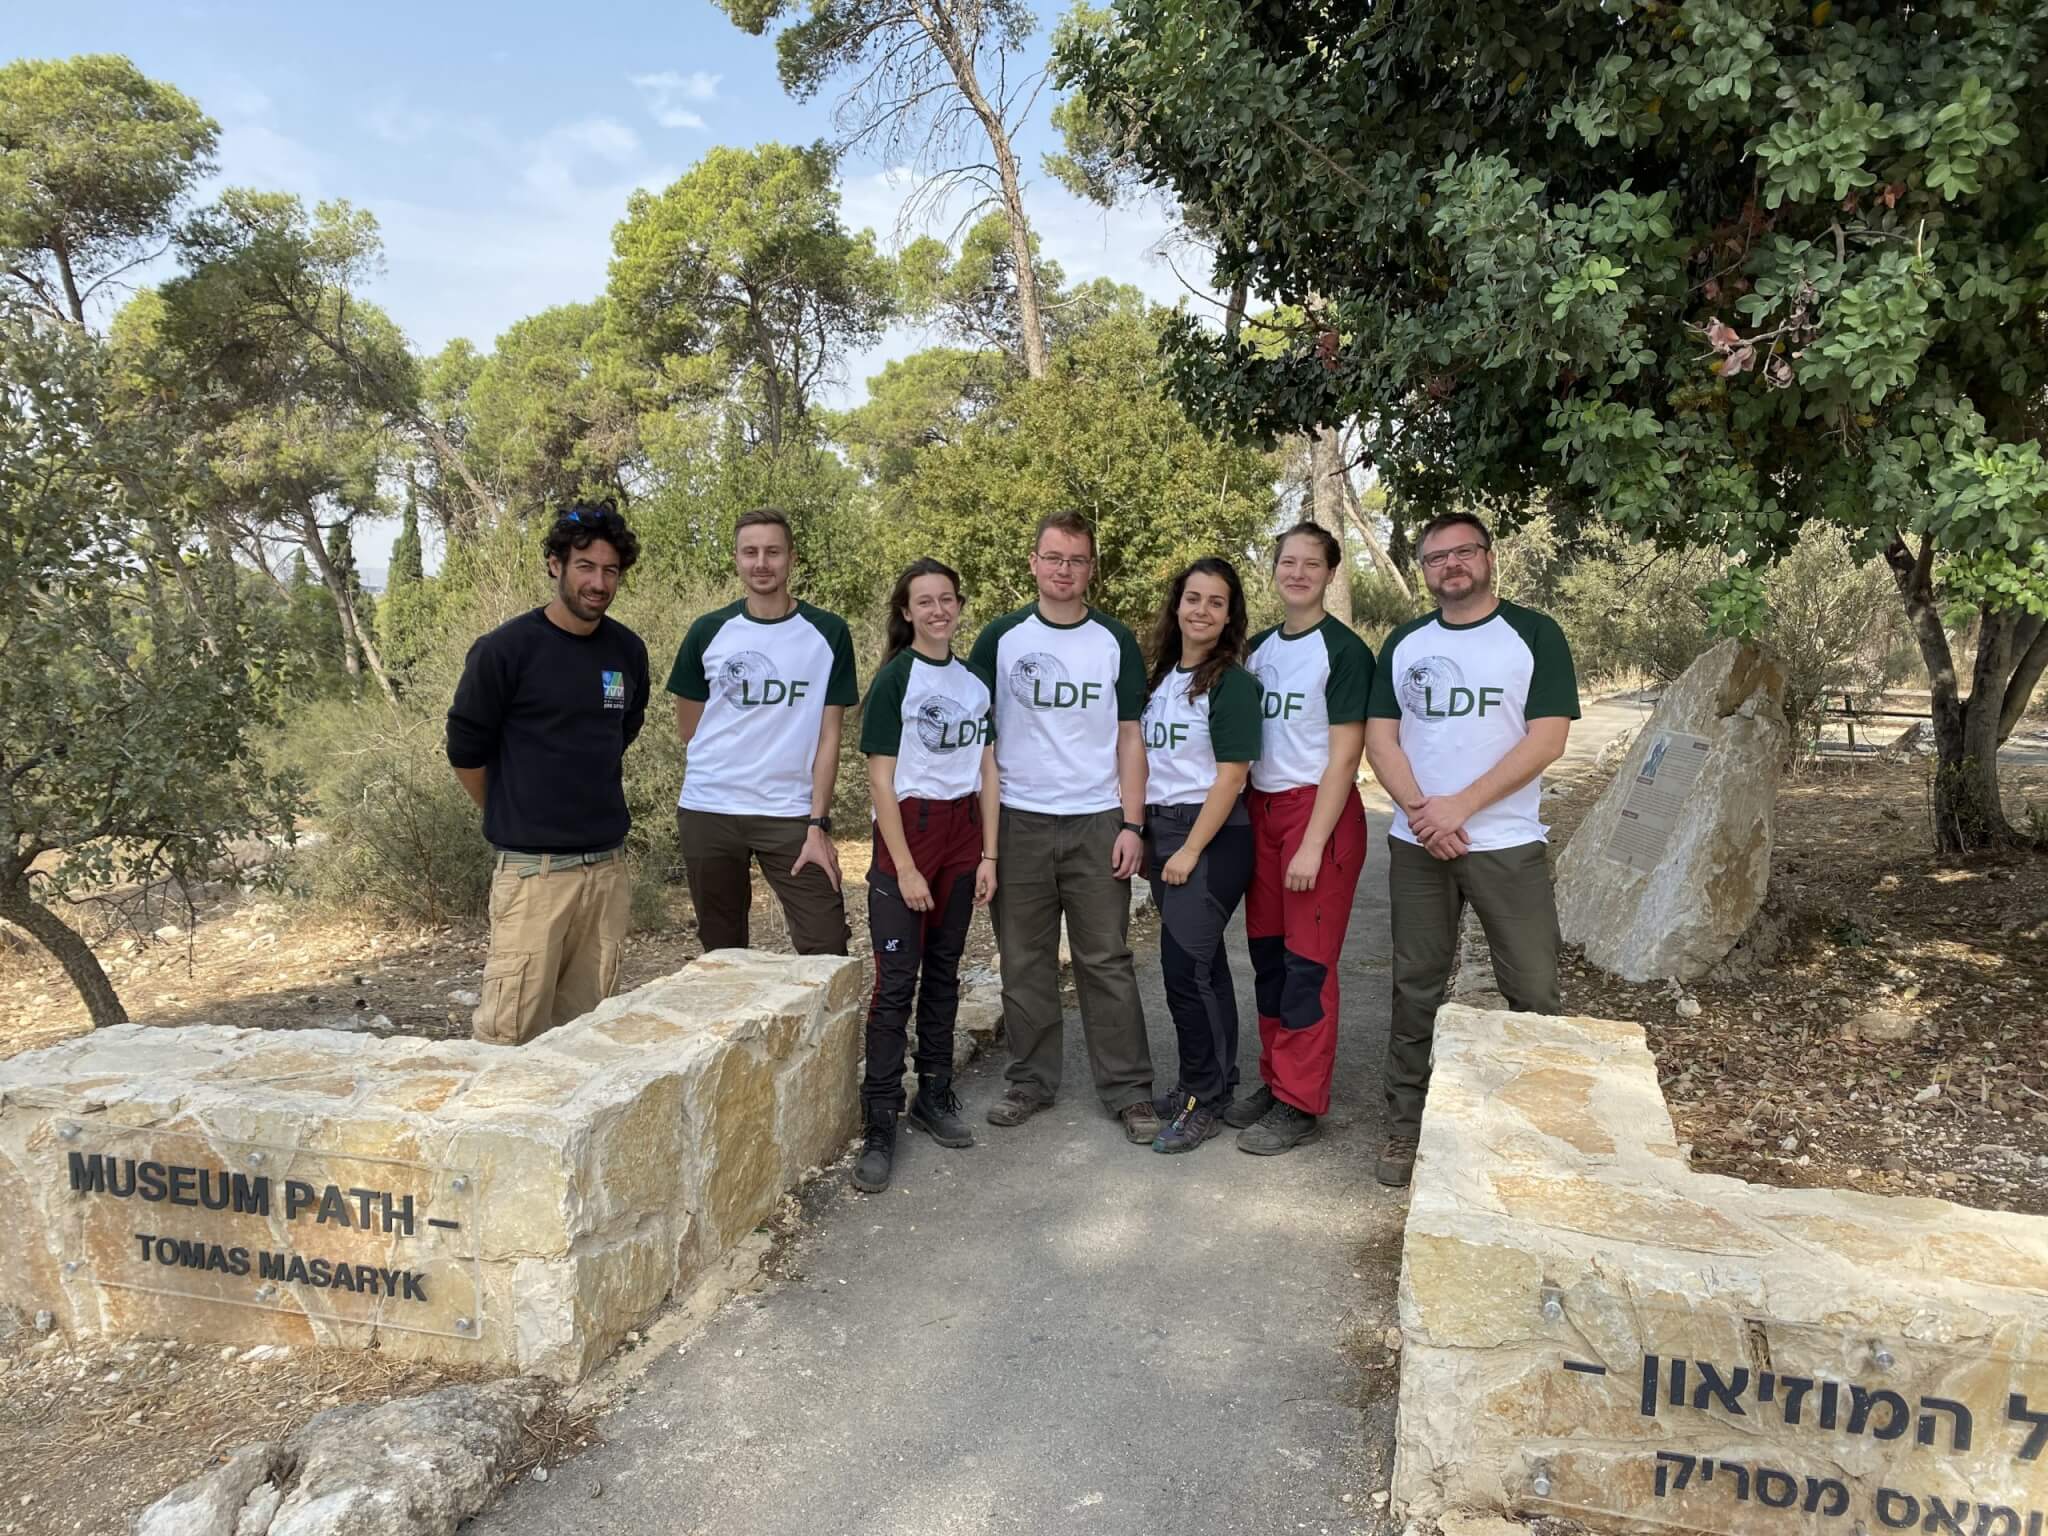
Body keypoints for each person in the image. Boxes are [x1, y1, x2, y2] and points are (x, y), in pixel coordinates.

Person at [1364, 510, 1579, 1187]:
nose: (1450, 565)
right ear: (1424, 571)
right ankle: (1406, 1124)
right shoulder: (1403, 642)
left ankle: (1541, 1125)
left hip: (1507, 844)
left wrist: (1461, 806)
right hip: (1417, 846)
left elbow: (1546, 739)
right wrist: (1425, 815)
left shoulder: (1535, 634)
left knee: (1534, 987)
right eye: (1436, 558)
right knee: (1414, 985)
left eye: (1463, 553)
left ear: (1488, 559)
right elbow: (1381, 739)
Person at [967, 511, 1158, 1144]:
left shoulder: (1114, 640)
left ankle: (1129, 1090)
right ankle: (1031, 1082)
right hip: (1019, 820)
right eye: (1053, 558)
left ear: (1090, 568)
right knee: (1024, 961)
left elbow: (1131, 737)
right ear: (1033, 563)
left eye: (1077, 560)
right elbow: (979, 743)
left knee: (1106, 960)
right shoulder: (1000, 640)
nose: (1064, 571)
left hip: (1096, 819)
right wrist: (986, 841)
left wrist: (1132, 822)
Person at [447, 501, 651, 1045]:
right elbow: (467, 752)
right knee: (508, 1036)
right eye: (586, 566)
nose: (598, 582)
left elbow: (619, 735)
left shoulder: (628, 651)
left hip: (606, 876)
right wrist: (512, 810)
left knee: (583, 1038)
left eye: (610, 571)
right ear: (555, 565)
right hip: (533, 878)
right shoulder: (505, 651)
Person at [852, 559, 1000, 1193]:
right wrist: (906, 868)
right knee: (894, 986)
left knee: (944, 972)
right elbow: (880, 777)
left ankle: (933, 1094)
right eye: (925, 602)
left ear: (959, 606)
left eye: (948, 600)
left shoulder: (973, 682)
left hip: (962, 835)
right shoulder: (895, 681)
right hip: (908, 835)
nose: (938, 610)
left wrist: (990, 855)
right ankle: (879, 1121)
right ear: (907, 612)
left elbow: (987, 769)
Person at [1228, 523, 1375, 1154]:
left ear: (1330, 573)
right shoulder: (1257, 650)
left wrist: (1313, 843)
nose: (1297, 573)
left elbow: (1344, 757)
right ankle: (1274, 1077)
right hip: (1261, 811)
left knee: (1308, 963)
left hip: (1318, 815)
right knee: (1268, 957)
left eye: (1311, 564)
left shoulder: (1343, 652)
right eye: (1287, 561)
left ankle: (1300, 1101)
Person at [667, 508, 858, 957]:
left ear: (791, 558)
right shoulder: (708, 631)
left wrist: (818, 822)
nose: (762, 563)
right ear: (736, 559)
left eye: (773, 552)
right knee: (722, 949)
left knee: (826, 944)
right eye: (750, 552)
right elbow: (689, 728)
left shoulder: (828, 633)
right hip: (709, 809)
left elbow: (830, 736)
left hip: (789, 814)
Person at [1139, 559, 1263, 1154]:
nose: (1202, 611)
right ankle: (1208, 1082)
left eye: (1217, 602)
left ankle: (1203, 1101)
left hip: (1210, 836)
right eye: (1193, 598)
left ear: (1230, 615)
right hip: (1163, 830)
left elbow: (1232, 776)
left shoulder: (1233, 684)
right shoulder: (1163, 676)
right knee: (1203, 968)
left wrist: (1190, 848)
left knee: (1185, 971)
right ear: (1178, 604)